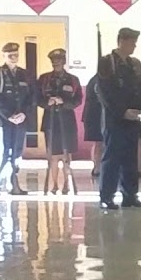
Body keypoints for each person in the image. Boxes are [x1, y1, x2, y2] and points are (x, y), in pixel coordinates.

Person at [96, 28, 141, 210]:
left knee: (130, 157)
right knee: (112, 158)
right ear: (121, 41)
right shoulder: (107, 62)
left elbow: (139, 89)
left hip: (133, 118)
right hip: (115, 119)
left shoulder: (131, 64)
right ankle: (107, 196)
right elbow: (105, 92)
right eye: (131, 42)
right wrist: (122, 111)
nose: (134, 46)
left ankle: (130, 195)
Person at [0, 42, 33, 196]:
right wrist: (9, 116)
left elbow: (30, 97)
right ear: (4, 56)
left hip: (20, 119)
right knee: (3, 150)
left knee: (17, 152)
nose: (13, 58)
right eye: (10, 56)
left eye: (16, 55)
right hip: (2, 120)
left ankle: (13, 183)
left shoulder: (25, 74)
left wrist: (23, 114)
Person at [38, 48, 82, 195]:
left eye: (58, 61)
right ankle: (54, 185)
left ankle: (66, 185)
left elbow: (77, 100)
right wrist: (47, 102)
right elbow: (37, 98)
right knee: (53, 155)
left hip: (67, 121)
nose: (55, 63)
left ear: (63, 62)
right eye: (53, 61)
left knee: (66, 154)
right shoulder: (44, 79)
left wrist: (63, 102)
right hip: (50, 120)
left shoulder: (73, 80)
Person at [82, 72, 104, 181]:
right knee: (100, 142)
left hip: (92, 116)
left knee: (98, 143)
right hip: (96, 116)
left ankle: (97, 167)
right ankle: (97, 168)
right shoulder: (99, 81)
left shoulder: (93, 79)